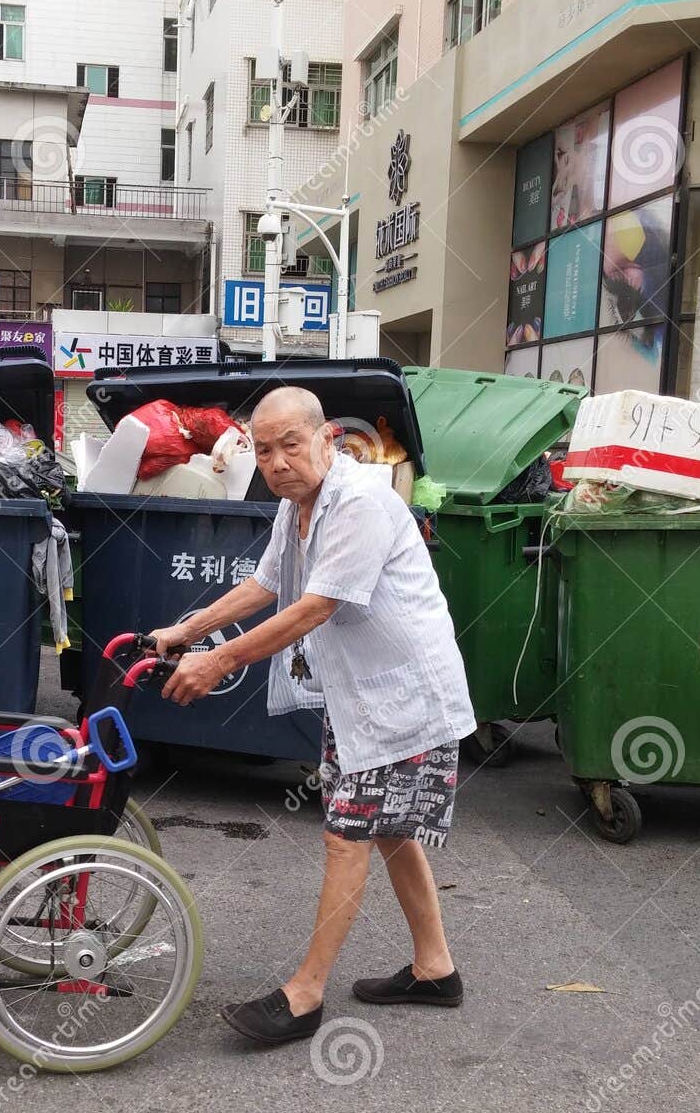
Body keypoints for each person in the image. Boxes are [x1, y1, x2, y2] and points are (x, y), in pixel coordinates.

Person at [150, 386, 477, 1046]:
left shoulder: (360, 504)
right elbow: (266, 585)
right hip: (361, 696)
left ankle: (304, 995)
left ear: (327, 438)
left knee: (347, 836)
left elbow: (316, 605)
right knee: (389, 829)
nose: (277, 463)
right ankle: (435, 969)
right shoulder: (296, 506)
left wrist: (220, 661)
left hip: (404, 698)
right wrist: (189, 630)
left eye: (291, 445)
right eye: (264, 450)